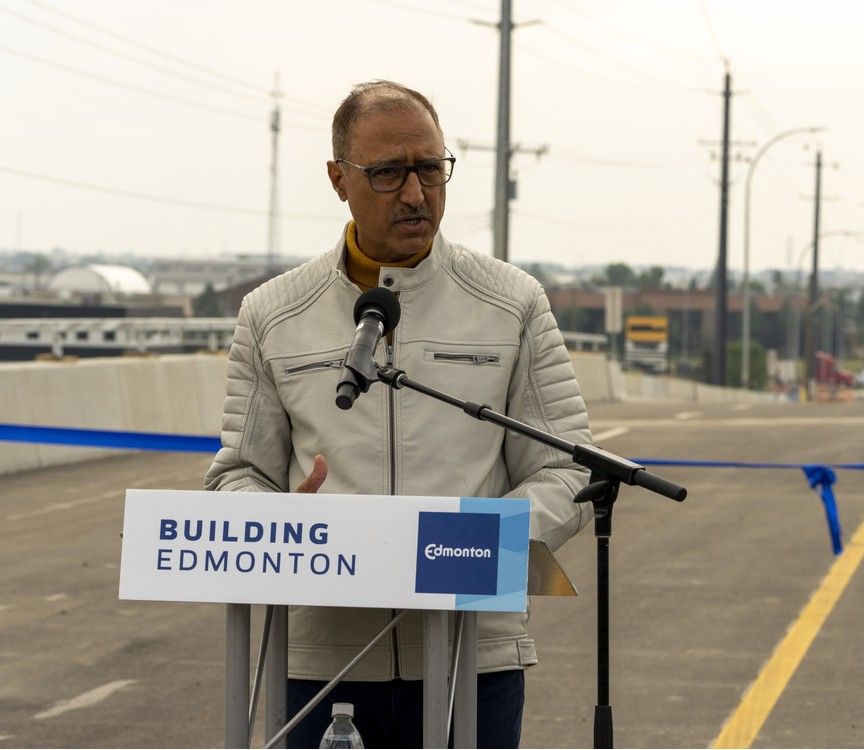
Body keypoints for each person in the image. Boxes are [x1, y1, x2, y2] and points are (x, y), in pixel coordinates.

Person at [205, 80, 593, 748]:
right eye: (388, 172)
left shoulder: (512, 302)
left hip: (472, 654)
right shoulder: (272, 314)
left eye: (431, 168)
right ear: (339, 179)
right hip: (322, 660)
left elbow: (567, 470)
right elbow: (237, 476)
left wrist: (475, 546)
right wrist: (284, 523)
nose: (416, 193)